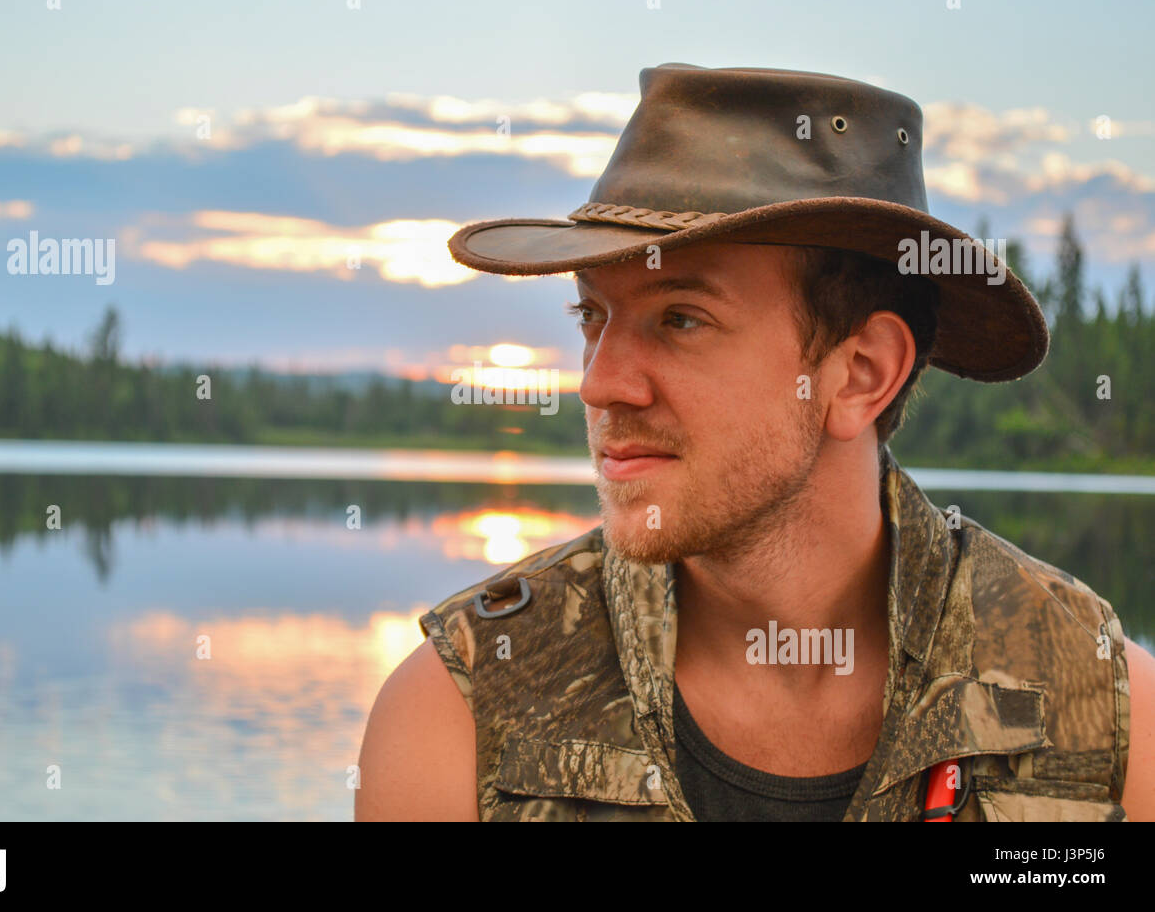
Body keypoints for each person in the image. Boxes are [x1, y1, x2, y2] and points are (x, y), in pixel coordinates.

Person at [355, 65, 1154, 821]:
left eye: (680, 319)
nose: (601, 384)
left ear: (860, 375)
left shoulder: (1106, 725)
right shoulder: (462, 715)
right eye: (591, 317)